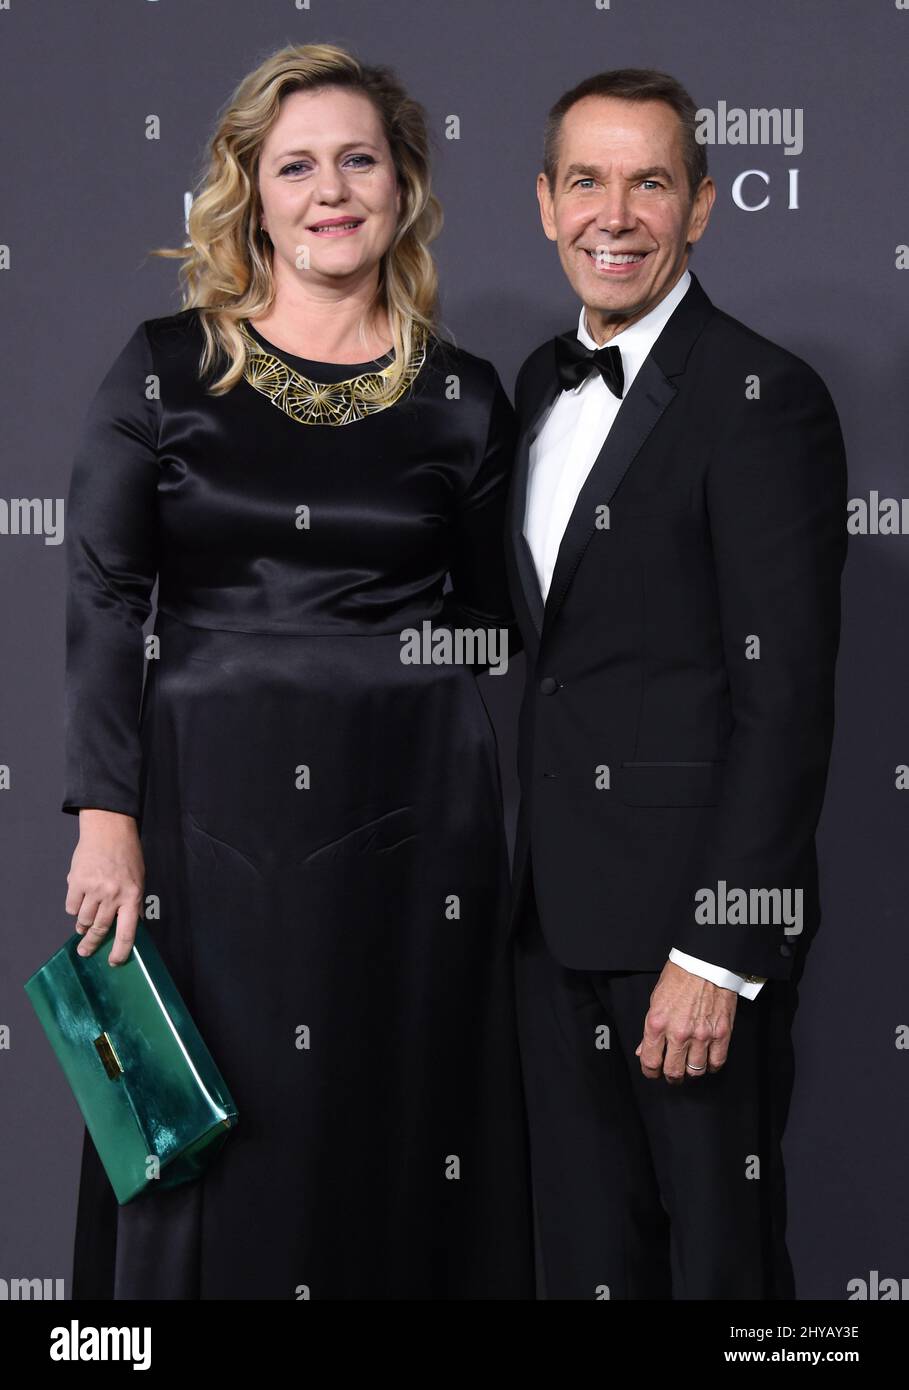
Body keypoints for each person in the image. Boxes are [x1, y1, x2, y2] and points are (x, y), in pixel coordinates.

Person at [62, 41, 534, 1300]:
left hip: (413, 818)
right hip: (204, 813)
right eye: (297, 165)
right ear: (251, 191)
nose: (331, 191)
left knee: (389, 1119)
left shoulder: (465, 396)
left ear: (402, 186)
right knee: (209, 1125)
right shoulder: (166, 371)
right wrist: (106, 818)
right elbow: (108, 599)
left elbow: (492, 622)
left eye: (358, 160)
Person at [505, 68, 847, 1299]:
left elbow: (787, 698)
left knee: (720, 1271)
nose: (617, 213)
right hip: (541, 929)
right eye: (587, 181)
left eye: (650, 181)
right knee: (589, 1264)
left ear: (701, 205)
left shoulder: (764, 398)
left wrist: (719, 947)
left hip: (688, 943)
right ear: (545, 204)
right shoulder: (534, 391)